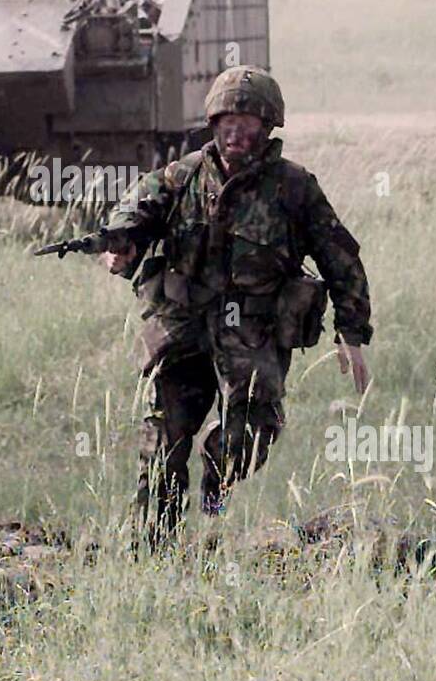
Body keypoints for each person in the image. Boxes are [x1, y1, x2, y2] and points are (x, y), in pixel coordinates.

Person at [99, 65, 373, 544]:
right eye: (228, 125)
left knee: (251, 435)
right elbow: (133, 214)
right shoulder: (178, 178)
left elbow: (340, 256)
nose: (236, 136)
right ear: (213, 125)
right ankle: (153, 552)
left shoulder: (293, 189)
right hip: (182, 331)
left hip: (252, 337)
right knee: (163, 442)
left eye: (247, 128)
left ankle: (216, 486)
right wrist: (121, 245)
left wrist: (352, 332)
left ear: (267, 132)